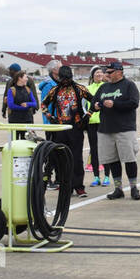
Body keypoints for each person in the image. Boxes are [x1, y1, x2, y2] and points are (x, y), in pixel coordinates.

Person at [93, 61, 140, 200]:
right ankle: (118, 188)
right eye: (106, 72)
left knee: (129, 159)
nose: (106, 74)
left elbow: (134, 103)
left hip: (124, 129)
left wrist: (115, 104)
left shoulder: (129, 85)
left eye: (109, 72)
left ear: (119, 72)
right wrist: (96, 106)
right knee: (112, 160)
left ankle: (133, 187)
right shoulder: (103, 87)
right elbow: (93, 103)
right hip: (105, 129)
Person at [42, 64, 91, 197]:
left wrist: (88, 115)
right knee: (62, 159)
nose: (65, 82)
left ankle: (79, 186)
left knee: (77, 158)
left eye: (67, 79)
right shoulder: (55, 90)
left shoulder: (79, 89)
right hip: (60, 129)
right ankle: (66, 186)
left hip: (76, 128)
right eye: (63, 79)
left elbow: (94, 100)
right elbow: (43, 104)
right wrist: (49, 116)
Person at [85, 66, 106, 187]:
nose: (99, 74)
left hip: (104, 122)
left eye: (100, 72)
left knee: (105, 149)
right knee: (94, 150)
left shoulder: (106, 87)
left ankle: (107, 176)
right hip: (92, 122)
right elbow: (84, 105)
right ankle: (96, 176)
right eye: (96, 72)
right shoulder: (87, 88)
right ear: (92, 76)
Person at [5, 69, 39, 139]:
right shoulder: (11, 90)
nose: (27, 79)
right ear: (20, 78)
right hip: (14, 120)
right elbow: (11, 105)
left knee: (27, 142)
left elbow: (35, 103)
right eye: (25, 77)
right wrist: (23, 108)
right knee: (14, 142)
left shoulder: (28, 89)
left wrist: (27, 104)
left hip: (27, 120)